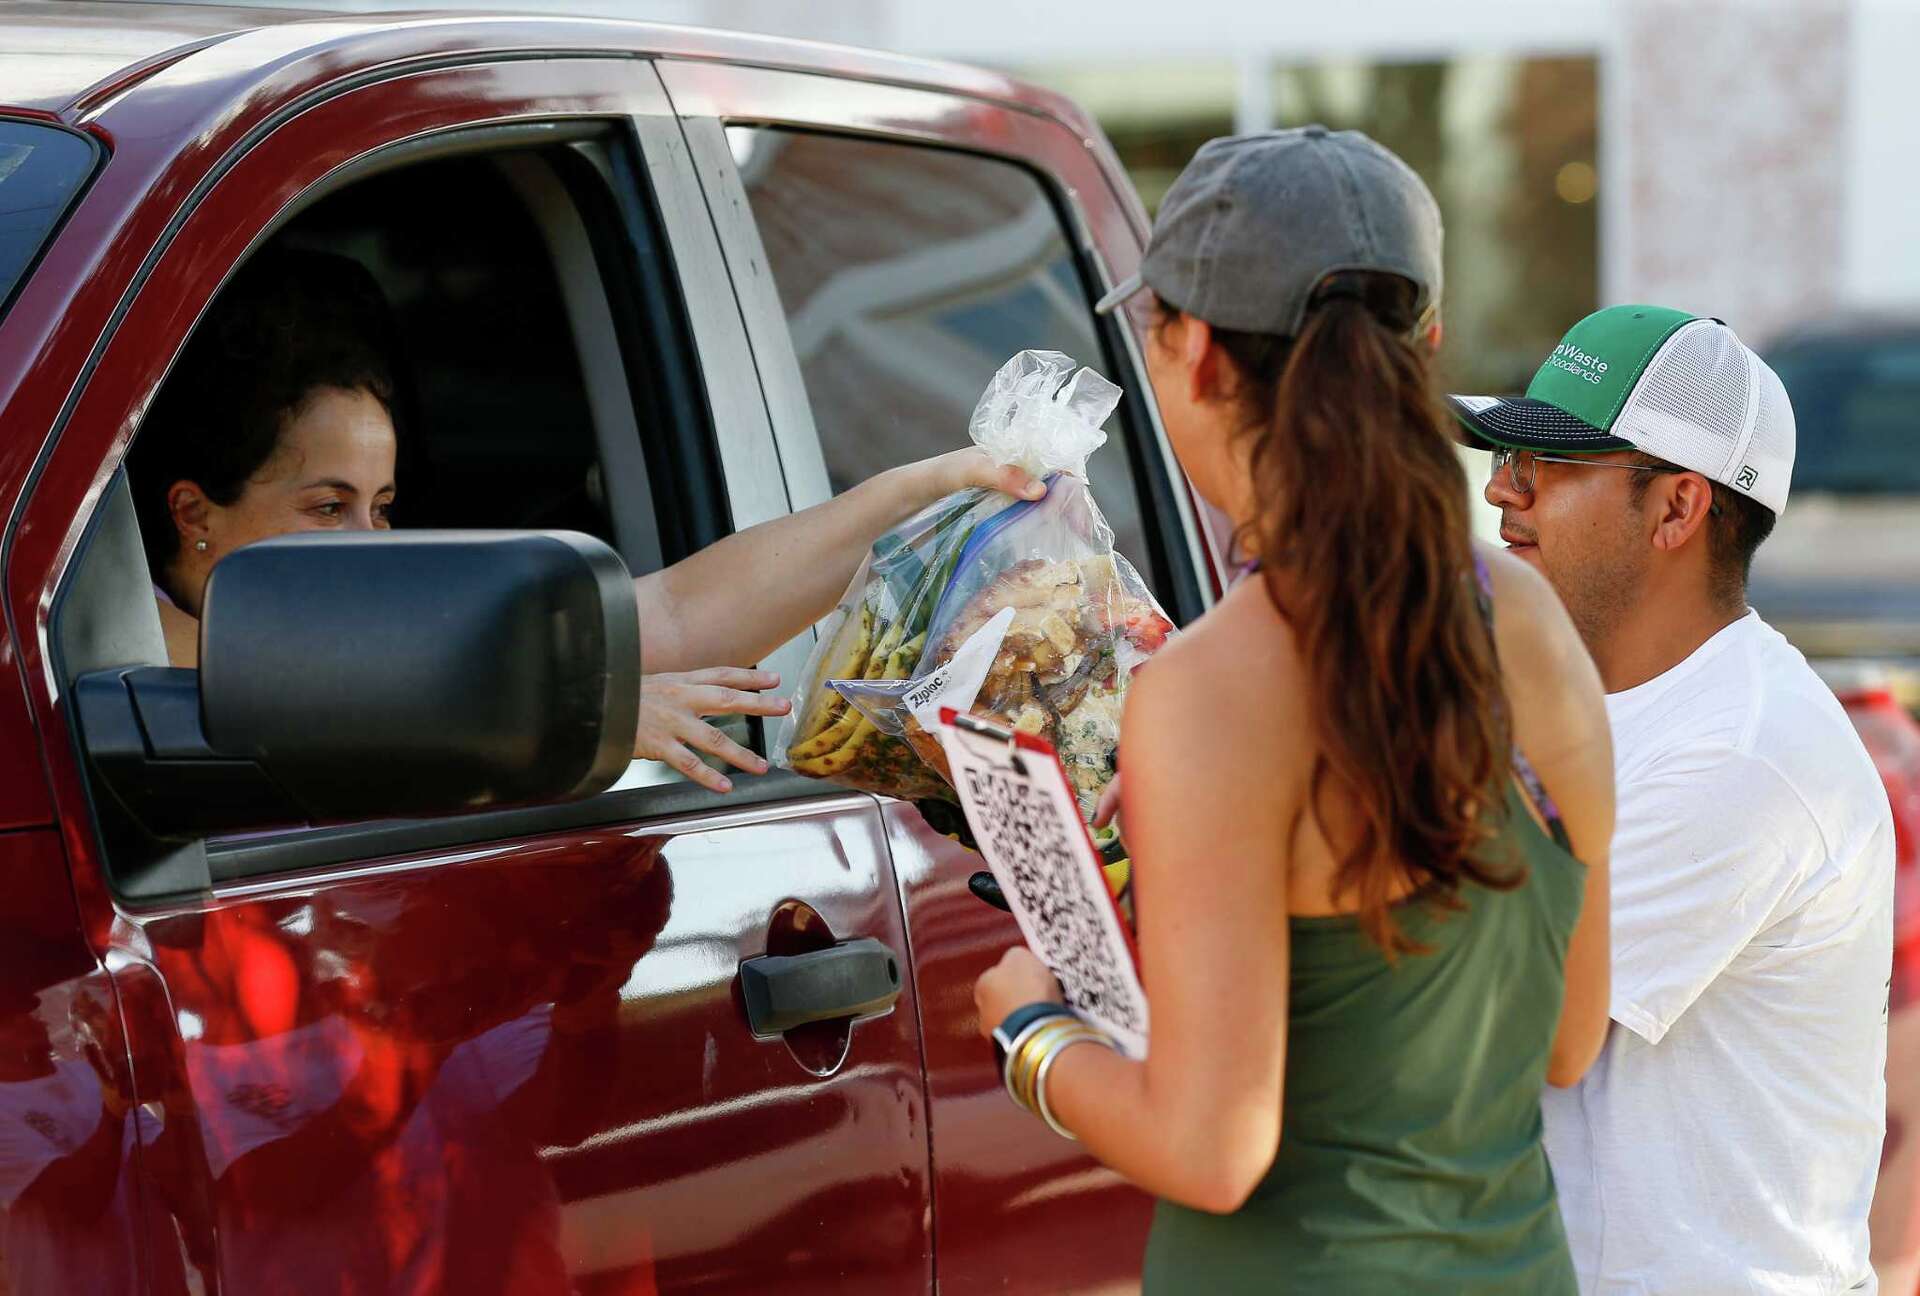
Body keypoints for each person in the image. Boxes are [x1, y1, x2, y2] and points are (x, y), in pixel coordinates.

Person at [970, 127, 1615, 1293]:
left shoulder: (1214, 691)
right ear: (1424, 347)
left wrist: (1031, 1032)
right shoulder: (1534, 627)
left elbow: (1214, 1151)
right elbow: (1565, 1043)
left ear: (1200, 355)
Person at [130, 249, 1041, 792]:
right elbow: (300, 698)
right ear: (193, 514)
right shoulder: (110, 656)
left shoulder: (386, 640)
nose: (371, 546)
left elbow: (677, 616)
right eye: (327, 509)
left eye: (383, 509)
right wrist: (580, 714)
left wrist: (927, 486)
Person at [1450, 307, 1895, 1293]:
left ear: (1678, 510)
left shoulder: (1741, 756)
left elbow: (1478, 1034)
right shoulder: (1574, 694)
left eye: (1550, 464)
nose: (1502, 489)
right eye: (1507, 453)